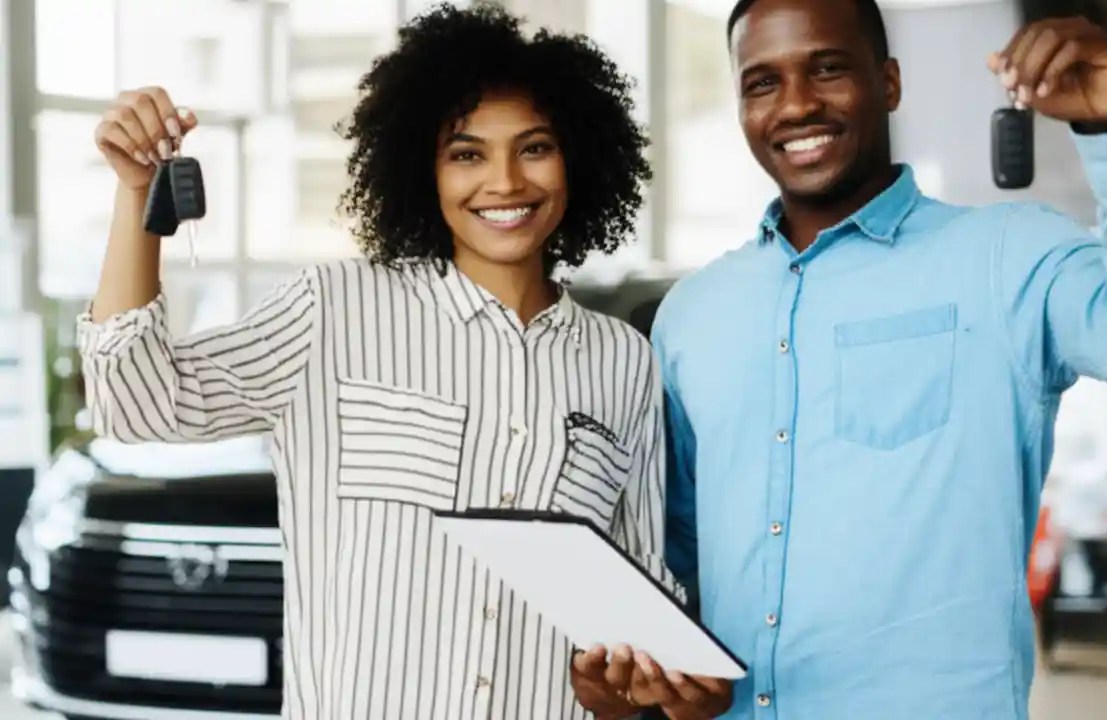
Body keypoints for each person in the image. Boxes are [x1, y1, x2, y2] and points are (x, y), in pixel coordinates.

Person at [79, 4, 688, 718]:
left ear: (577, 157)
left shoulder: (624, 361)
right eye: (466, 153)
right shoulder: (331, 310)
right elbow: (133, 402)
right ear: (421, 168)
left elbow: (640, 607)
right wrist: (133, 196)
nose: (504, 182)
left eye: (534, 147)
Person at [650, 1, 1107, 718]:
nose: (796, 105)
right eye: (762, 83)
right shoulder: (691, 314)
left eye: (827, 69)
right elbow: (679, 555)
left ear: (888, 82)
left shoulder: (1008, 257)